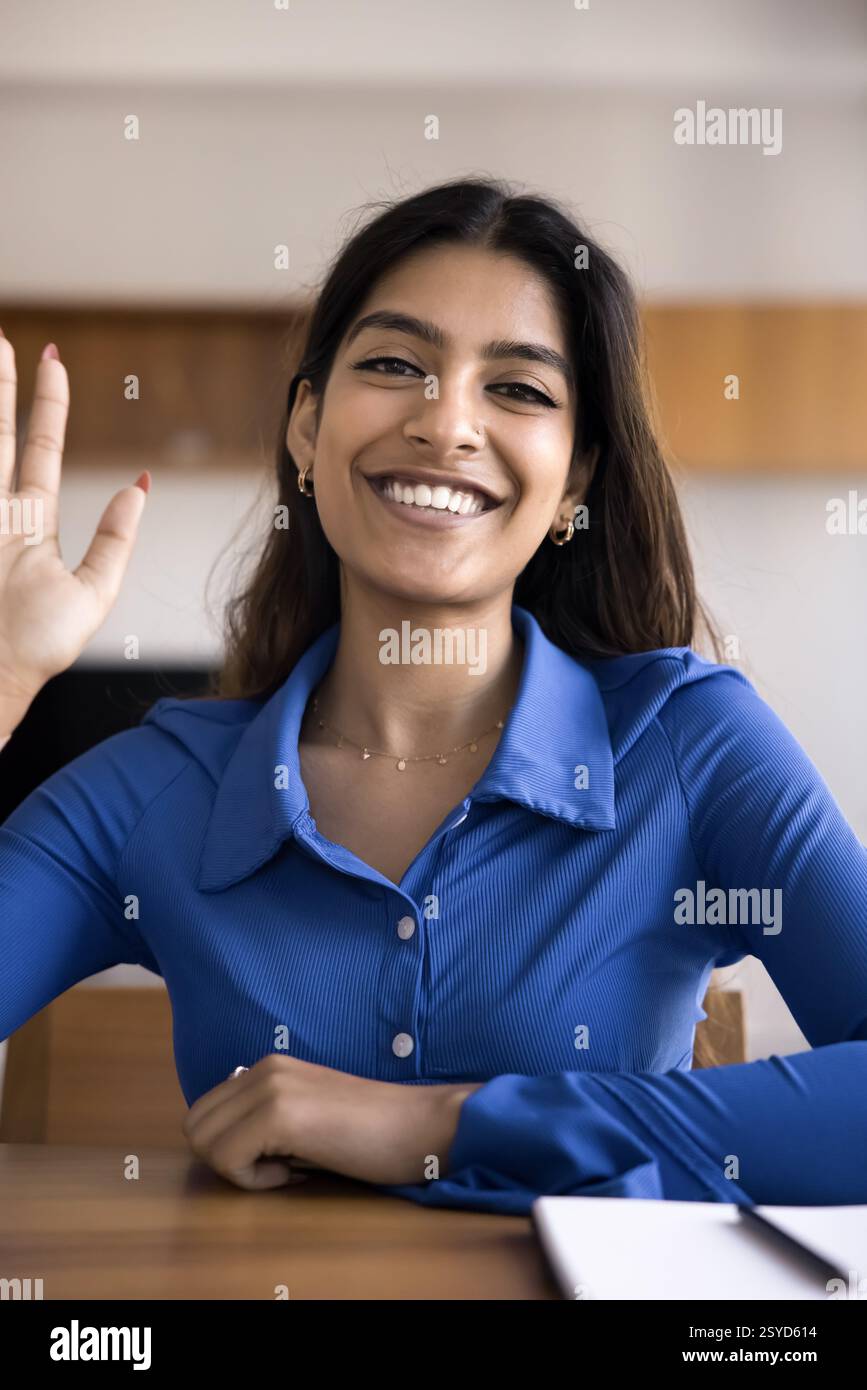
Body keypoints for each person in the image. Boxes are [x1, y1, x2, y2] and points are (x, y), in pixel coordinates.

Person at [1, 177, 865, 1214]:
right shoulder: (159, 790)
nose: (445, 421)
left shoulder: (691, 745)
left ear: (576, 482)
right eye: (394, 365)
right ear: (307, 429)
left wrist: (433, 1124)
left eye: (520, 389)